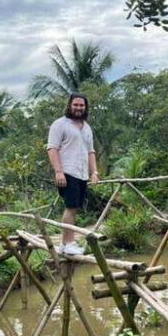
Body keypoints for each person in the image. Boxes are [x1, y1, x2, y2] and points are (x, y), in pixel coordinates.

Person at [47, 92, 99, 255]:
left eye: (81, 105)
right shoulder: (60, 124)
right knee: (70, 207)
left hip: (82, 173)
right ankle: (68, 243)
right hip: (68, 172)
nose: (78, 108)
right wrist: (58, 172)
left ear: (85, 108)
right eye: (75, 105)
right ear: (70, 105)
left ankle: (65, 243)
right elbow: (52, 148)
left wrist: (94, 172)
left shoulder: (87, 127)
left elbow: (90, 152)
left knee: (75, 207)